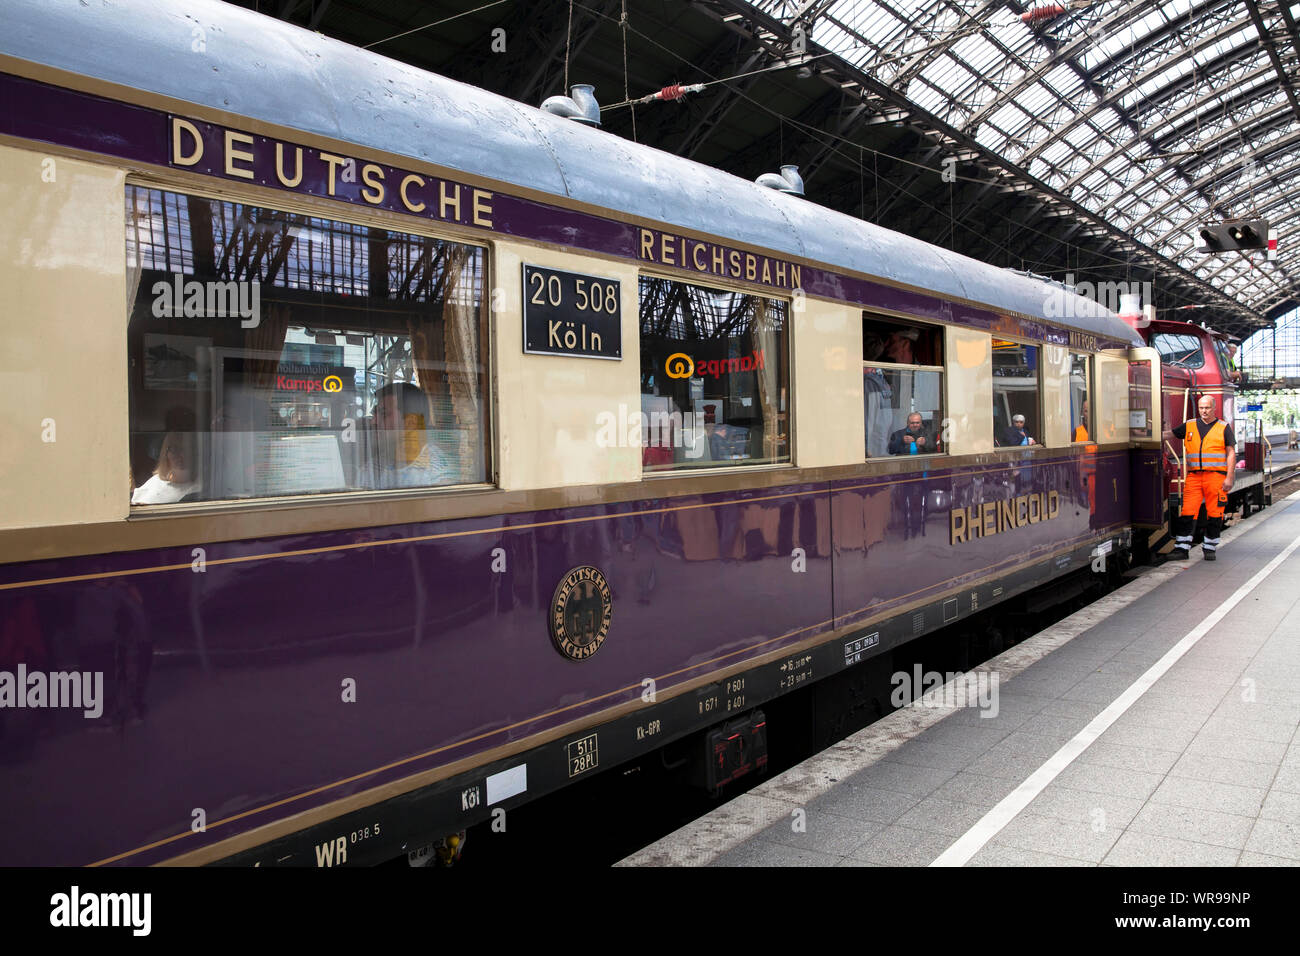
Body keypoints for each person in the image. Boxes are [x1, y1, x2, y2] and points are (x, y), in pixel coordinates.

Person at [1163, 395, 1235, 561]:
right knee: (1188, 511)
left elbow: (1231, 453)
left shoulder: (1223, 427)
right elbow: (1170, 434)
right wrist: (1147, 435)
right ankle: (1182, 549)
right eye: (1201, 407)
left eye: (1207, 407)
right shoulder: (1190, 425)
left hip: (1216, 477)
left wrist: (1230, 477)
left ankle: (1210, 548)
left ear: (1214, 408)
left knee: (1215, 514)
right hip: (1194, 477)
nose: (1204, 410)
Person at [372, 381, 454, 488]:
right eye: (374, 414)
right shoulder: (380, 463)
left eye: (384, 414)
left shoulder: (434, 473)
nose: (373, 421)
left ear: (410, 422)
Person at [131, 432, 200, 504]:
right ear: (166, 453)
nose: (181, 455)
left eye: (186, 449)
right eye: (175, 449)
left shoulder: (200, 489)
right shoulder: (156, 481)